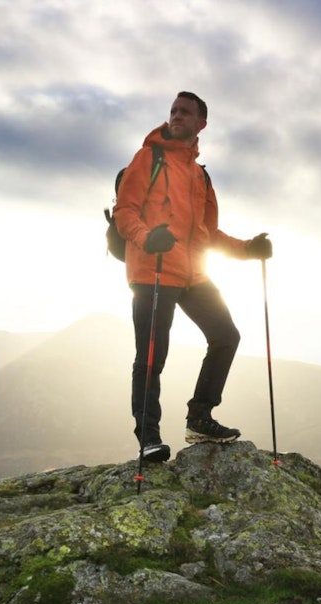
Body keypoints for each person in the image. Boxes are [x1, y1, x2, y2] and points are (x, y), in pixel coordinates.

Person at [112, 91, 273, 462]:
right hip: (152, 270)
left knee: (225, 336)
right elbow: (125, 212)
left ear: (202, 123)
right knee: (152, 356)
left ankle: (199, 419)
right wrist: (145, 237)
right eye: (173, 111)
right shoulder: (148, 158)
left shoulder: (200, 175)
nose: (176, 116)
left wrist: (248, 249)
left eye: (185, 112)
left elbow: (207, 234)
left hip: (193, 273)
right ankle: (148, 438)